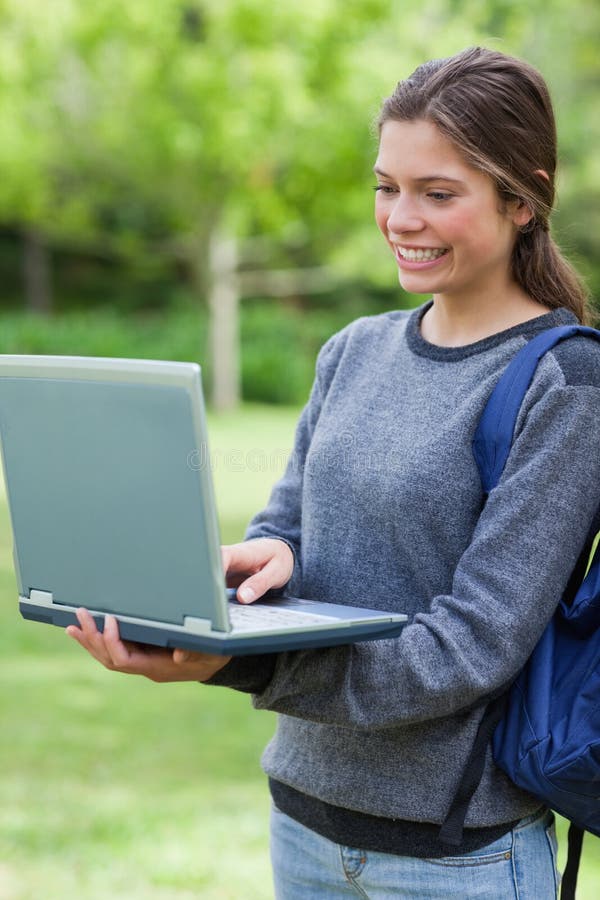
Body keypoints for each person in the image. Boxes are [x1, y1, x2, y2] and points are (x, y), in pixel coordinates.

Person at [67, 47, 600, 898]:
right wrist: (260, 564)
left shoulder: (564, 384)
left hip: (457, 859)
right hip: (303, 824)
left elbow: (470, 646)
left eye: (438, 193)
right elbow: (288, 526)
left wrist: (246, 667)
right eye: (387, 186)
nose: (401, 218)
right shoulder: (354, 350)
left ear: (523, 199)